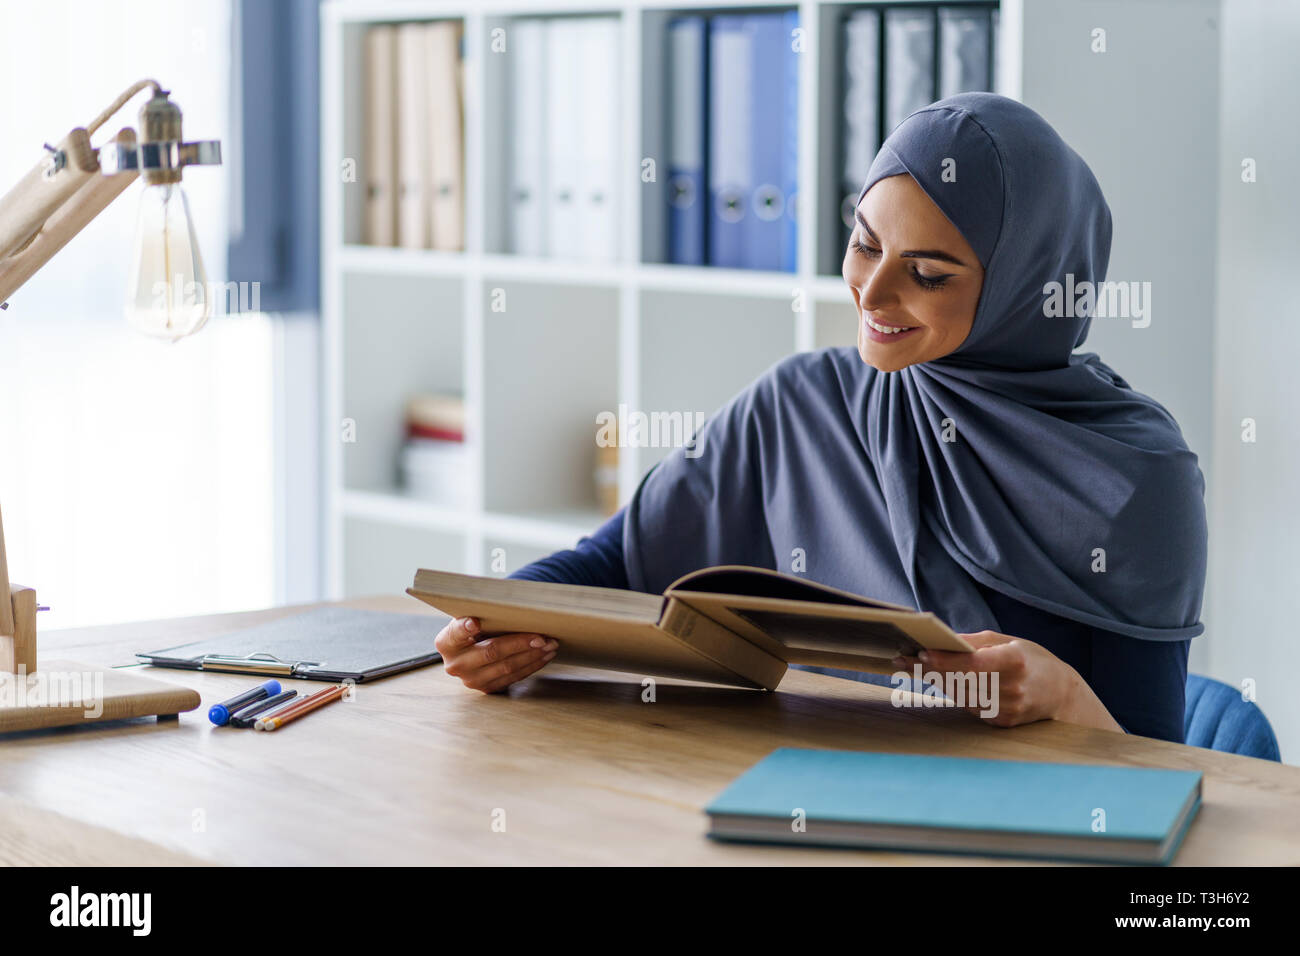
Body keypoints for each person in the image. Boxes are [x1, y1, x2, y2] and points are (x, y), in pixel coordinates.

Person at [434, 93, 1207, 744]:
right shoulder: (802, 403)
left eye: (927, 274)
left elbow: (1169, 770)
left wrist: (1064, 697)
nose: (870, 295)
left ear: (1026, 286)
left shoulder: (1135, 479)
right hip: (806, 808)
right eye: (863, 244)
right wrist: (496, 629)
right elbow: (610, 566)